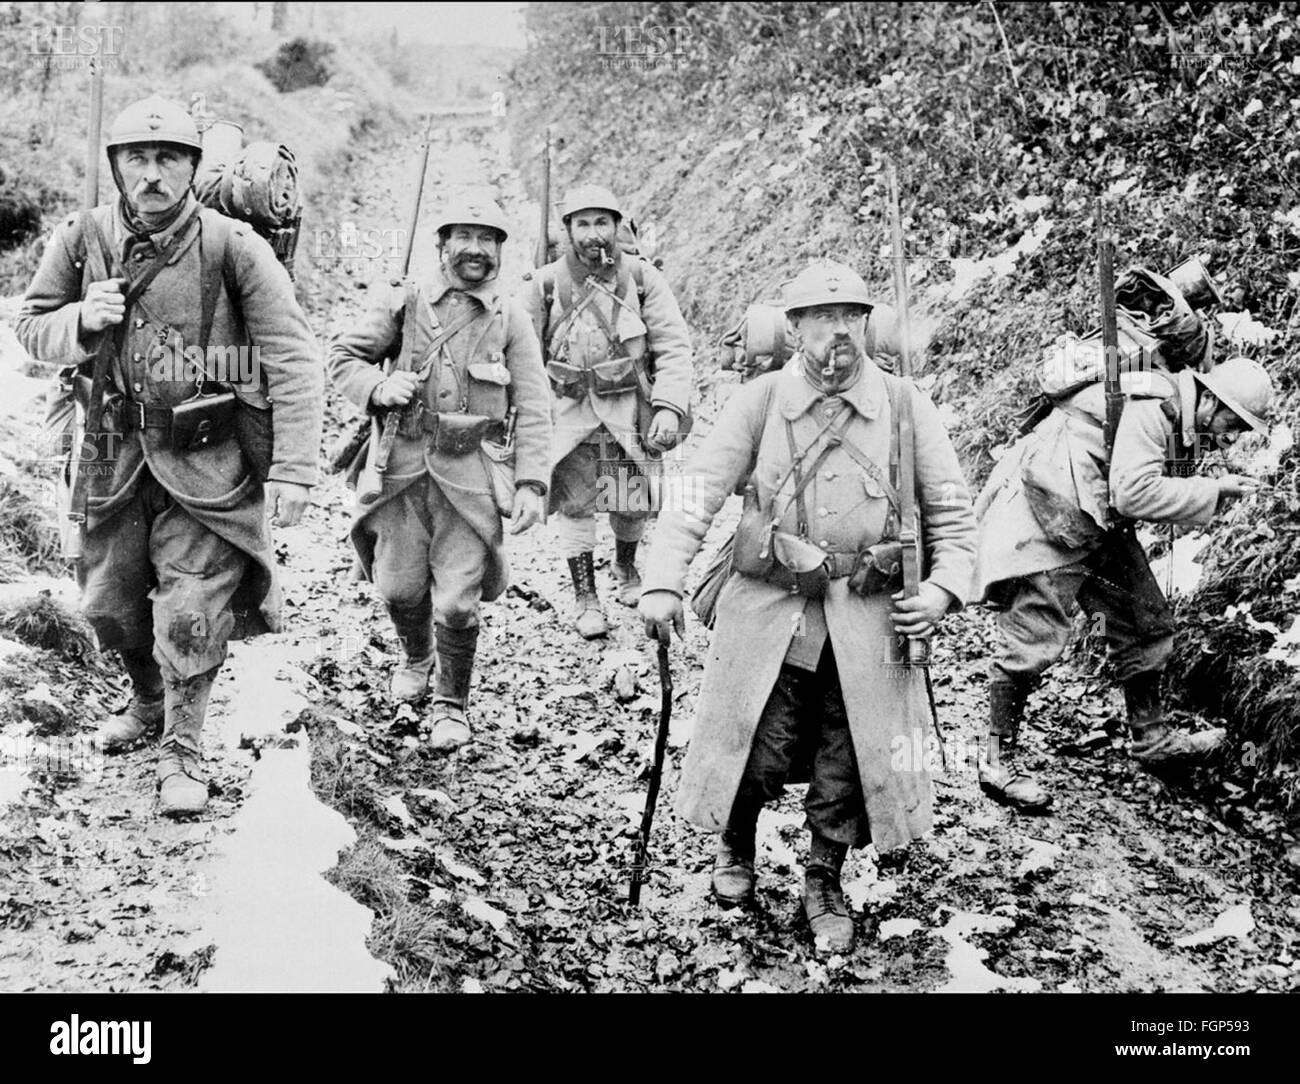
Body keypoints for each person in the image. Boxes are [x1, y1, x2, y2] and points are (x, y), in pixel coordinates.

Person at [639, 261, 976, 953]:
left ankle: (824, 873)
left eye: (851, 315)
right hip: (770, 607)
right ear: (793, 329)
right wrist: (662, 580)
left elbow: (954, 517)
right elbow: (694, 495)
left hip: (871, 616)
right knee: (756, 741)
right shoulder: (757, 402)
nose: (839, 331)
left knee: (849, 754)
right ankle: (736, 846)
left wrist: (942, 590)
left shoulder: (908, 407)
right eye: (822, 318)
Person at [14, 95, 323, 815]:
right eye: (138, 159)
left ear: (192, 166)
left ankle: (184, 748)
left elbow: (290, 355)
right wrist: (79, 322)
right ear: (117, 166)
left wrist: (294, 468)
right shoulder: (81, 236)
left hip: (206, 458)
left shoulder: (231, 246)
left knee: (190, 606)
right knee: (108, 603)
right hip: (108, 450)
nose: (153, 174)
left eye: (169, 158)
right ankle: (148, 699)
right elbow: (30, 326)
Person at [971, 356, 1275, 812]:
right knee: (1035, 634)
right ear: (1212, 401)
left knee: (1143, 617)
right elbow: (1133, 492)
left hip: (1095, 510)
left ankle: (1151, 737)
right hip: (1051, 502)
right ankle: (996, 758)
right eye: (1234, 421)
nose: (1233, 436)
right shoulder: (1154, 408)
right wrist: (1213, 492)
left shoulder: (1183, 413)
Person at [327, 197, 552, 752]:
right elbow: (342, 358)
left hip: (471, 478)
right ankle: (415, 656)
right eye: (464, 237)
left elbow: (536, 404)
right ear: (442, 245)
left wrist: (532, 483)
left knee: (456, 602)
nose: (475, 250)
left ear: (500, 250)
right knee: (398, 586)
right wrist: (378, 388)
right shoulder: (404, 304)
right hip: (401, 470)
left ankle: (452, 703)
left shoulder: (509, 316)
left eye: (488, 239)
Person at [524, 184, 693, 640]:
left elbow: (674, 346)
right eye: (583, 223)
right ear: (568, 230)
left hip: (627, 410)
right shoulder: (544, 284)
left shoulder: (641, 279)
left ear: (618, 228)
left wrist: (669, 407)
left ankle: (625, 566)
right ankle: (585, 598)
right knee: (576, 505)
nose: (593, 233)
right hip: (570, 411)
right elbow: (521, 354)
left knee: (631, 499)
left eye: (603, 222)